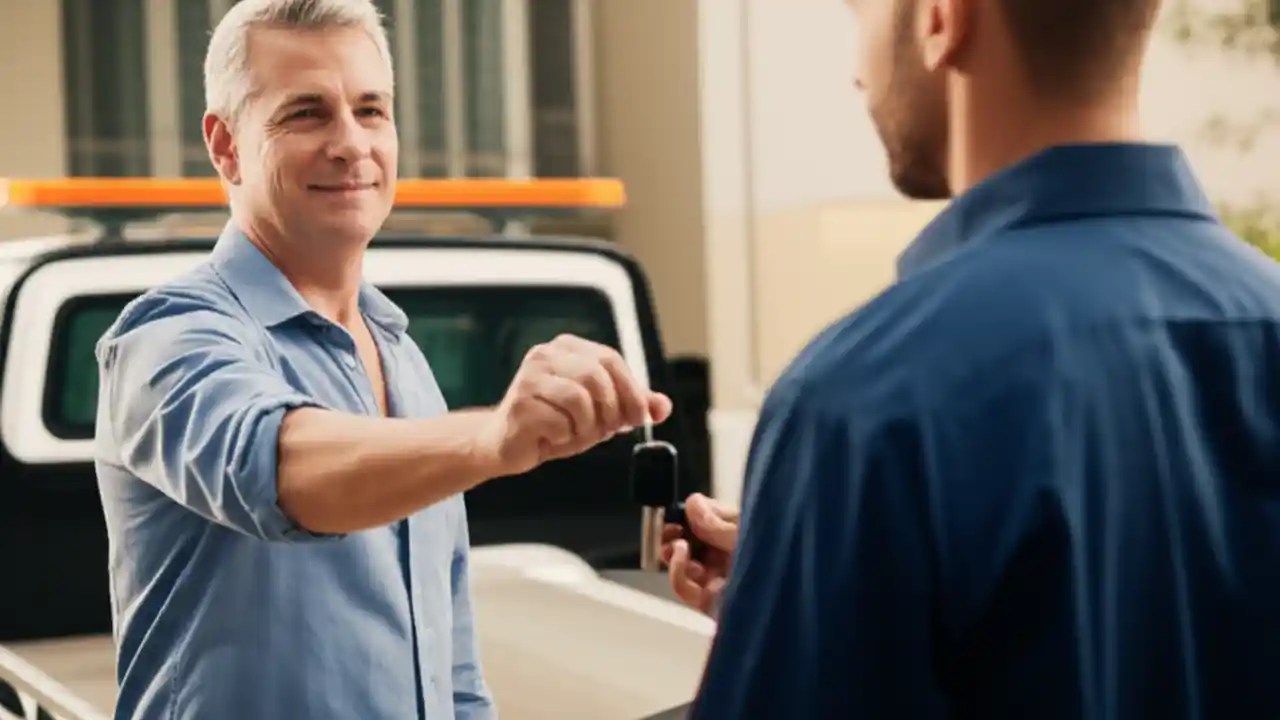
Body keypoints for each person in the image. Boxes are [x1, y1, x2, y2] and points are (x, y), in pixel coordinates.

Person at [666, 0, 1280, 717]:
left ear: (941, 18)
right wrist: (804, 593)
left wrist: (798, 620)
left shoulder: (865, 398)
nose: (856, 72)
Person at [92, 1, 671, 718]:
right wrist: (491, 438)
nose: (351, 143)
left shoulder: (403, 359)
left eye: (370, 110)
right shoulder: (167, 336)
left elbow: (452, 669)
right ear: (226, 145)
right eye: (306, 113)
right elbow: (272, 468)